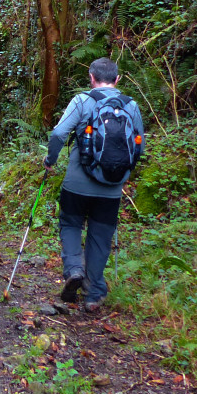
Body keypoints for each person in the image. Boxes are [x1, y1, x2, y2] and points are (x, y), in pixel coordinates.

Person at [44, 57, 144, 313]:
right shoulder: (131, 106)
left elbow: (58, 134)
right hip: (111, 187)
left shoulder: (82, 101)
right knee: (100, 236)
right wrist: (123, 173)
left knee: (70, 223)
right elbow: (138, 144)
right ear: (117, 79)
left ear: (91, 77)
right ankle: (93, 294)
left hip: (77, 183)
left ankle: (74, 269)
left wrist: (50, 160)